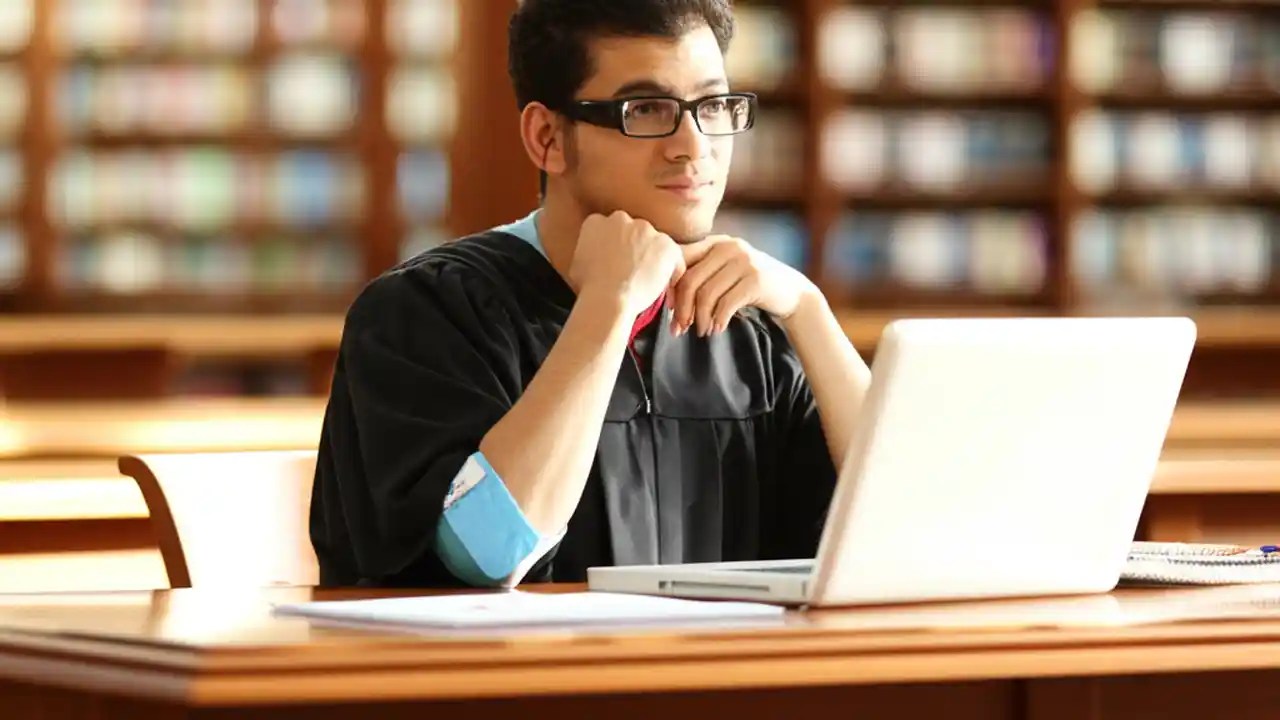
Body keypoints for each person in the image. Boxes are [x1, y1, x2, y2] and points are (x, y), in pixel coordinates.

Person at [310, 0, 872, 588]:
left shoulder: (751, 334)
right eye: (648, 109)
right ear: (548, 137)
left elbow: (909, 536)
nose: (693, 144)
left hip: (716, 675)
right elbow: (484, 556)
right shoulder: (426, 313)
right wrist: (608, 307)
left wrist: (809, 312)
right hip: (516, 677)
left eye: (712, 105)